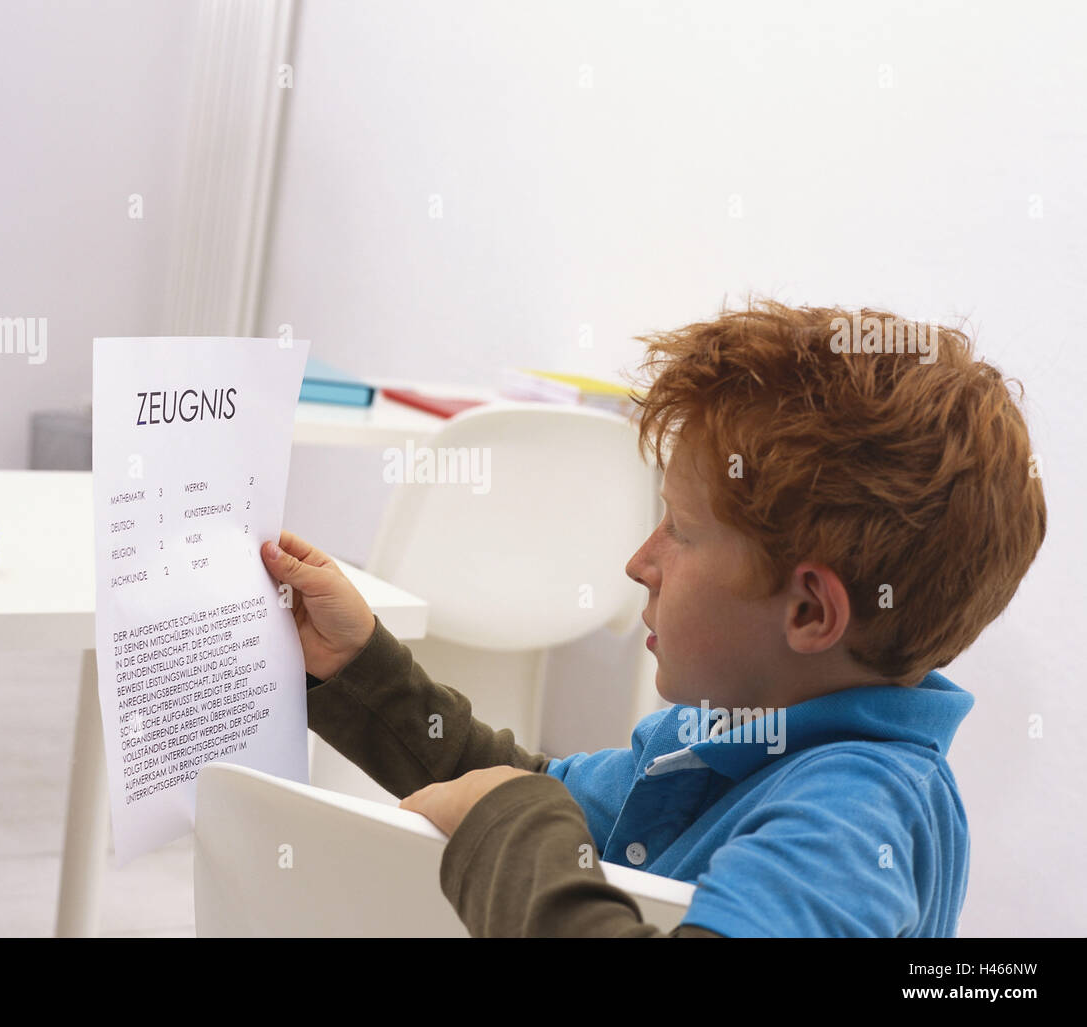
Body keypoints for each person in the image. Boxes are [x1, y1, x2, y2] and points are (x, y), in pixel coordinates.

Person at [260, 299, 1047, 937]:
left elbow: (518, 806)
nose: (641, 562)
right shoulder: (725, 730)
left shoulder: (852, 815)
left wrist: (511, 823)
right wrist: (359, 664)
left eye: (682, 529)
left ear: (810, 610)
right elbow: (526, 787)